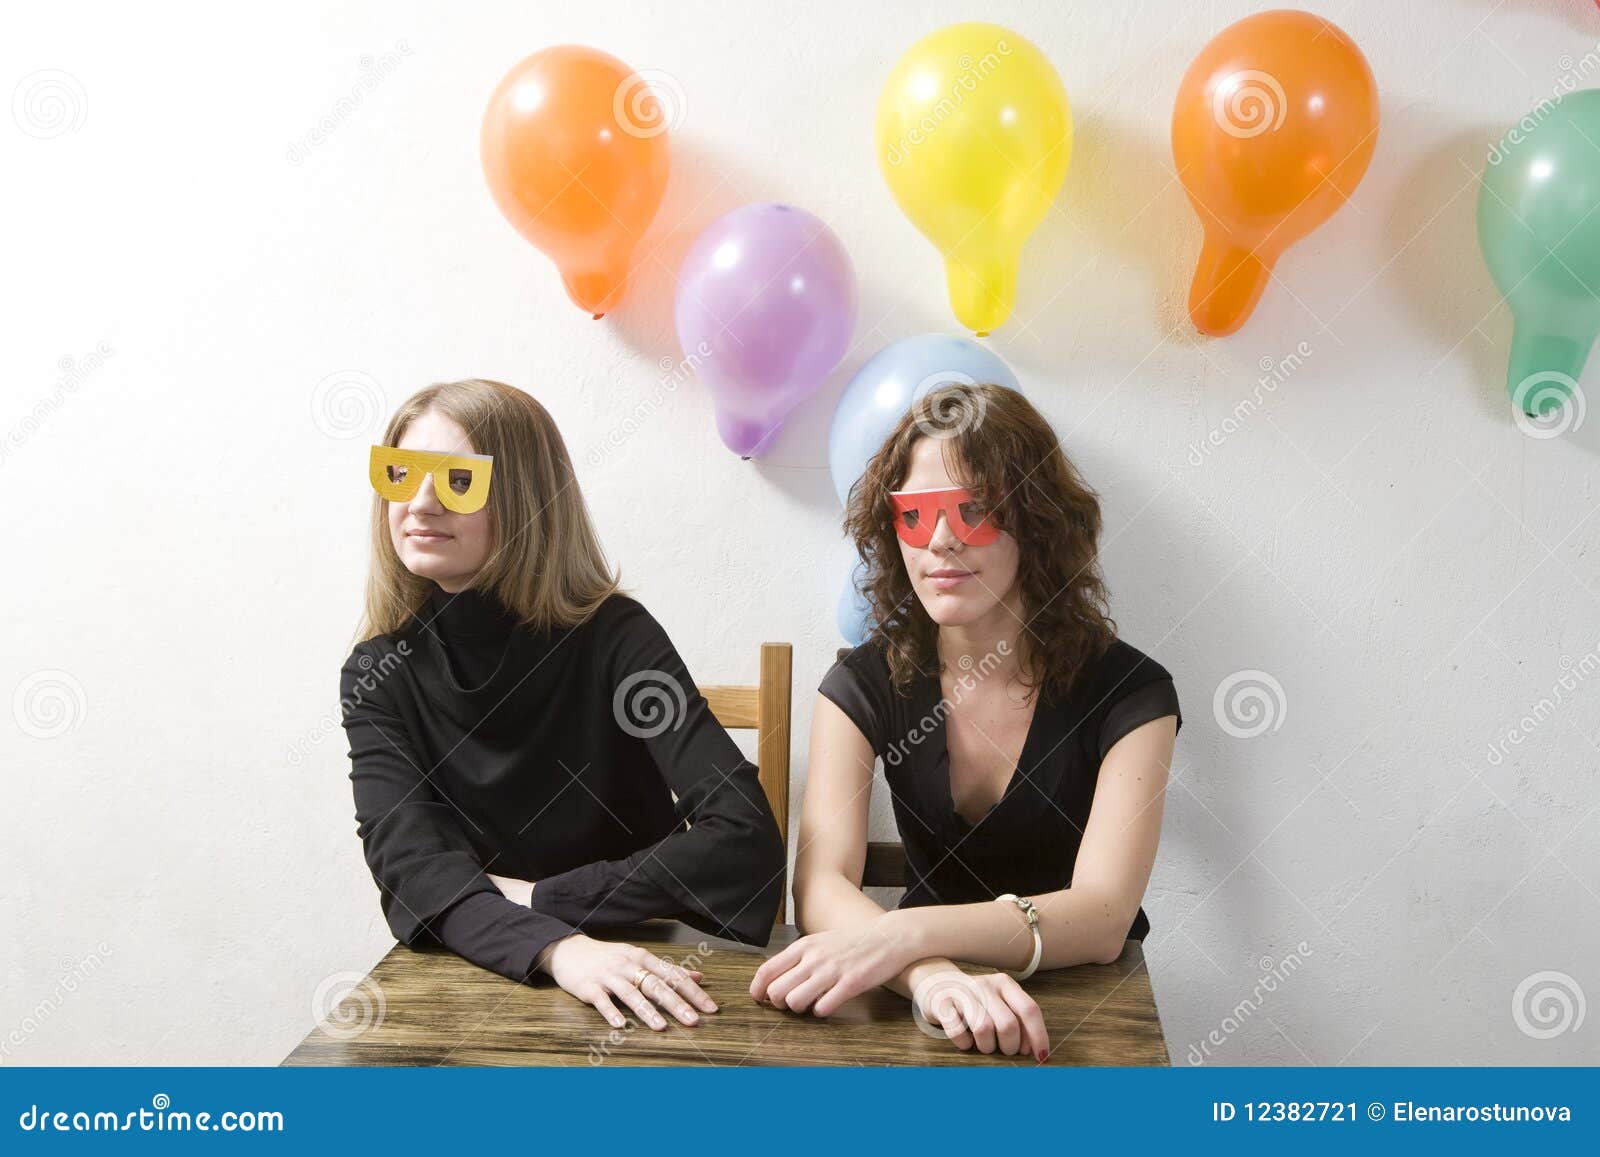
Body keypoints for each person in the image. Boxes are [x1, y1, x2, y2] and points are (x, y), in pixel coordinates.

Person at [342, 378, 785, 1031]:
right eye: (401, 473)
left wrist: (540, 897)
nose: (421, 500)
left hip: (647, 977)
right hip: (478, 979)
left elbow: (745, 839)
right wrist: (557, 946)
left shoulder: (617, 637)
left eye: (458, 479)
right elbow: (412, 870)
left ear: (525, 500)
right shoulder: (379, 671)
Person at [754, 383, 1181, 1061]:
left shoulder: (1131, 692)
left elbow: (1104, 915)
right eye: (915, 516)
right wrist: (930, 975)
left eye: (975, 510)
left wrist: (908, 933)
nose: (942, 540)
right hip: (920, 1007)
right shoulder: (860, 683)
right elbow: (818, 885)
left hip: (1086, 1013)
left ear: (1036, 523)